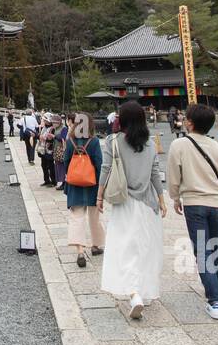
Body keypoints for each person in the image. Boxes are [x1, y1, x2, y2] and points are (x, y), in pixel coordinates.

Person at [97, 102, 166, 319]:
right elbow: (156, 173)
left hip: (124, 203)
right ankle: (143, 291)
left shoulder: (113, 141)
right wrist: (162, 199)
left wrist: (99, 196)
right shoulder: (150, 144)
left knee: (124, 249)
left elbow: (106, 169)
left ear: (123, 120)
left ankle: (134, 292)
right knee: (145, 249)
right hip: (148, 203)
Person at [167, 104, 218, 320]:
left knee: (202, 251)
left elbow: (174, 175)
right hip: (216, 203)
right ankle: (214, 283)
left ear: (190, 123)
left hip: (195, 203)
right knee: (213, 246)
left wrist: (175, 197)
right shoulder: (217, 148)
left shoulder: (179, 145)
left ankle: (215, 299)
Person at [63, 126, 104, 268]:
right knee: (95, 217)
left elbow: (66, 161)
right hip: (92, 184)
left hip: (75, 184)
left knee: (76, 217)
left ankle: (80, 251)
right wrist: (101, 186)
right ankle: (95, 245)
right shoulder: (94, 141)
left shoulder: (70, 141)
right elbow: (99, 163)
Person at [53, 114, 72, 191]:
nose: (53, 124)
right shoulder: (55, 128)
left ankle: (64, 183)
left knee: (62, 167)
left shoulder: (63, 128)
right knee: (58, 166)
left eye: (55, 122)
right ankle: (62, 182)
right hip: (57, 149)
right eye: (53, 122)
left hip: (61, 150)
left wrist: (54, 137)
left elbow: (64, 138)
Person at [38, 117, 57, 186]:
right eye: (44, 120)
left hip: (49, 149)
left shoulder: (53, 129)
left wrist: (46, 139)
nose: (44, 121)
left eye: (45, 120)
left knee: (51, 165)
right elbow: (40, 135)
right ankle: (46, 180)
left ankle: (54, 181)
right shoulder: (43, 127)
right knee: (43, 165)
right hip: (43, 149)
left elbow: (53, 139)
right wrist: (39, 136)